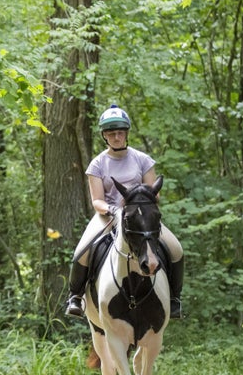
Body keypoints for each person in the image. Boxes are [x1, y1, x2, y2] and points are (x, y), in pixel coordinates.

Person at [64, 105, 185, 319]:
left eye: (120, 132)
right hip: (108, 216)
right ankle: (75, 297)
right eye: (111, 133)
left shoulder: (142, 159)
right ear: (105, 136)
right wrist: (114, 210)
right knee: (81, 252)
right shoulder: (97, 164)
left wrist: (138, 198)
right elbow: (97, 201)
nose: (117, 137)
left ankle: (174, 298)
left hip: (140, 216)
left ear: (126, 133)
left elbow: (154, 195)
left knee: (176, 249)